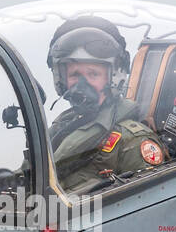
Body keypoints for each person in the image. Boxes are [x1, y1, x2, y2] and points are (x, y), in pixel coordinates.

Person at [45, 16, 167, 192]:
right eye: (75, 74)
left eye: (93, 74)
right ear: (61, 80)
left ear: (114, 78)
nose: (82, 84)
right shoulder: (61, 130)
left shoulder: (132, 141)